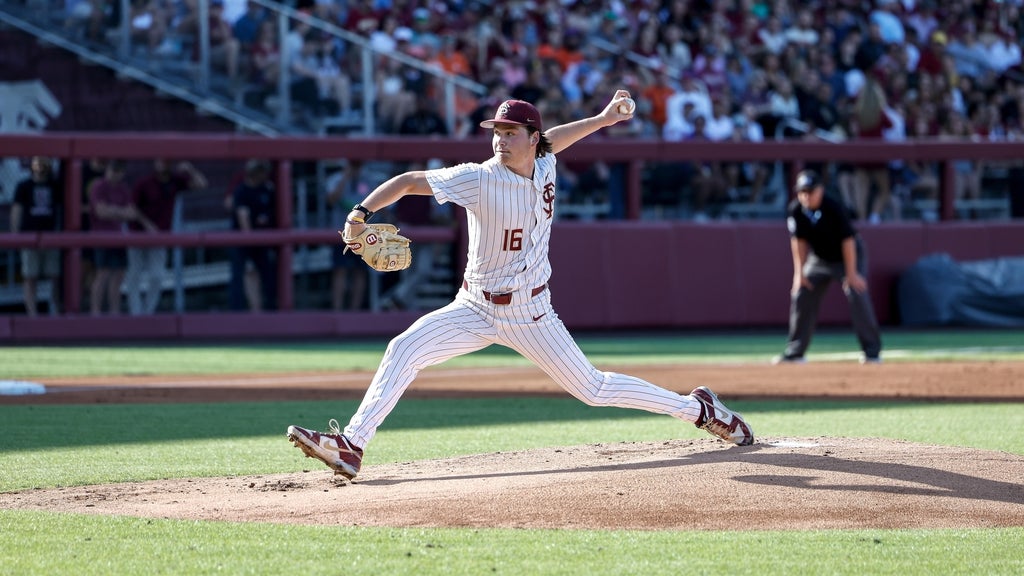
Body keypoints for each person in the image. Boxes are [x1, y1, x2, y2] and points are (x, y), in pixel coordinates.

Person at [287, 92, 755, 481]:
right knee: (405, 347)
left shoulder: (545, 161)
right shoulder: (478, 178)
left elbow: (560, 137)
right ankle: (352, 445)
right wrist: (360, 214)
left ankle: (699, 410)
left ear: (533, 140)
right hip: (474, 307)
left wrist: (604, 118)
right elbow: (410, 181)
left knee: (592, 389)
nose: (501, 141)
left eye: (510, 133)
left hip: (532, 314)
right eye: (496, 132)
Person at [772, 169, 883, 365]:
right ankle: (795, 351)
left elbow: (848, 241)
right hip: (819, 259)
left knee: (856, 291)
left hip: (847, 256)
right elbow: (798, 241)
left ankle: (872, 352)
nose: (806, 196)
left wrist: (851, 274)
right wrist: (799, 273)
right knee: (801, 292)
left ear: (820, 190)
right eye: (802, 191)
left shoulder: (833, 207)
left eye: (810, 191)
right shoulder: (796, 209)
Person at [123, 159, 207, 315]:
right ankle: (135, 313)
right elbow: (133, 208)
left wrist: (190, 169)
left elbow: (202, 184)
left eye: (167, 161)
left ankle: (148, 312)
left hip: (160, 235)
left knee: (157, 275)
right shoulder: (145, 183)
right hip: (137, 232)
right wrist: (147, 224)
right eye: (161, 161)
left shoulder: (176, 180)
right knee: (135, 273)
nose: (163, 164)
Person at [89, 160, 148, 315]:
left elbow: (132, 213)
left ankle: (114, 312)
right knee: (103, 274)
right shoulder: (99, 186)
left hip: (120, 236)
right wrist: (120, 212)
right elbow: (100, 212)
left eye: (119, 171)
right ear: (107, 169)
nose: (116, 174)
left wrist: (113, 211)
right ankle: (95, 312)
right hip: (101, 236)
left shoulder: (123, 188)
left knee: (119, 275)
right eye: (113, 170)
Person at [10, 157, 64, 316]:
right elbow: (16, 211)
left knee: (55, 275)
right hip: (29, 236)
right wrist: (16, 235)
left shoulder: (55, 186)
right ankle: (32, 312)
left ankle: (55, 309)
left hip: (51, 236)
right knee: (30, 276)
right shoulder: (24, 186)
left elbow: (62, 210)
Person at [231, 159, 277, 312]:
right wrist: (249, 240)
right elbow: (243, 218)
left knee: (268, 275)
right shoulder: (242, 191)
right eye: (260, 171)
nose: (263, 174)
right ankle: (240, 311)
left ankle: (269, 310)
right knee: (243, 274)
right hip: (244, 242)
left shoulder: (267, 189)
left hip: (264, 241)